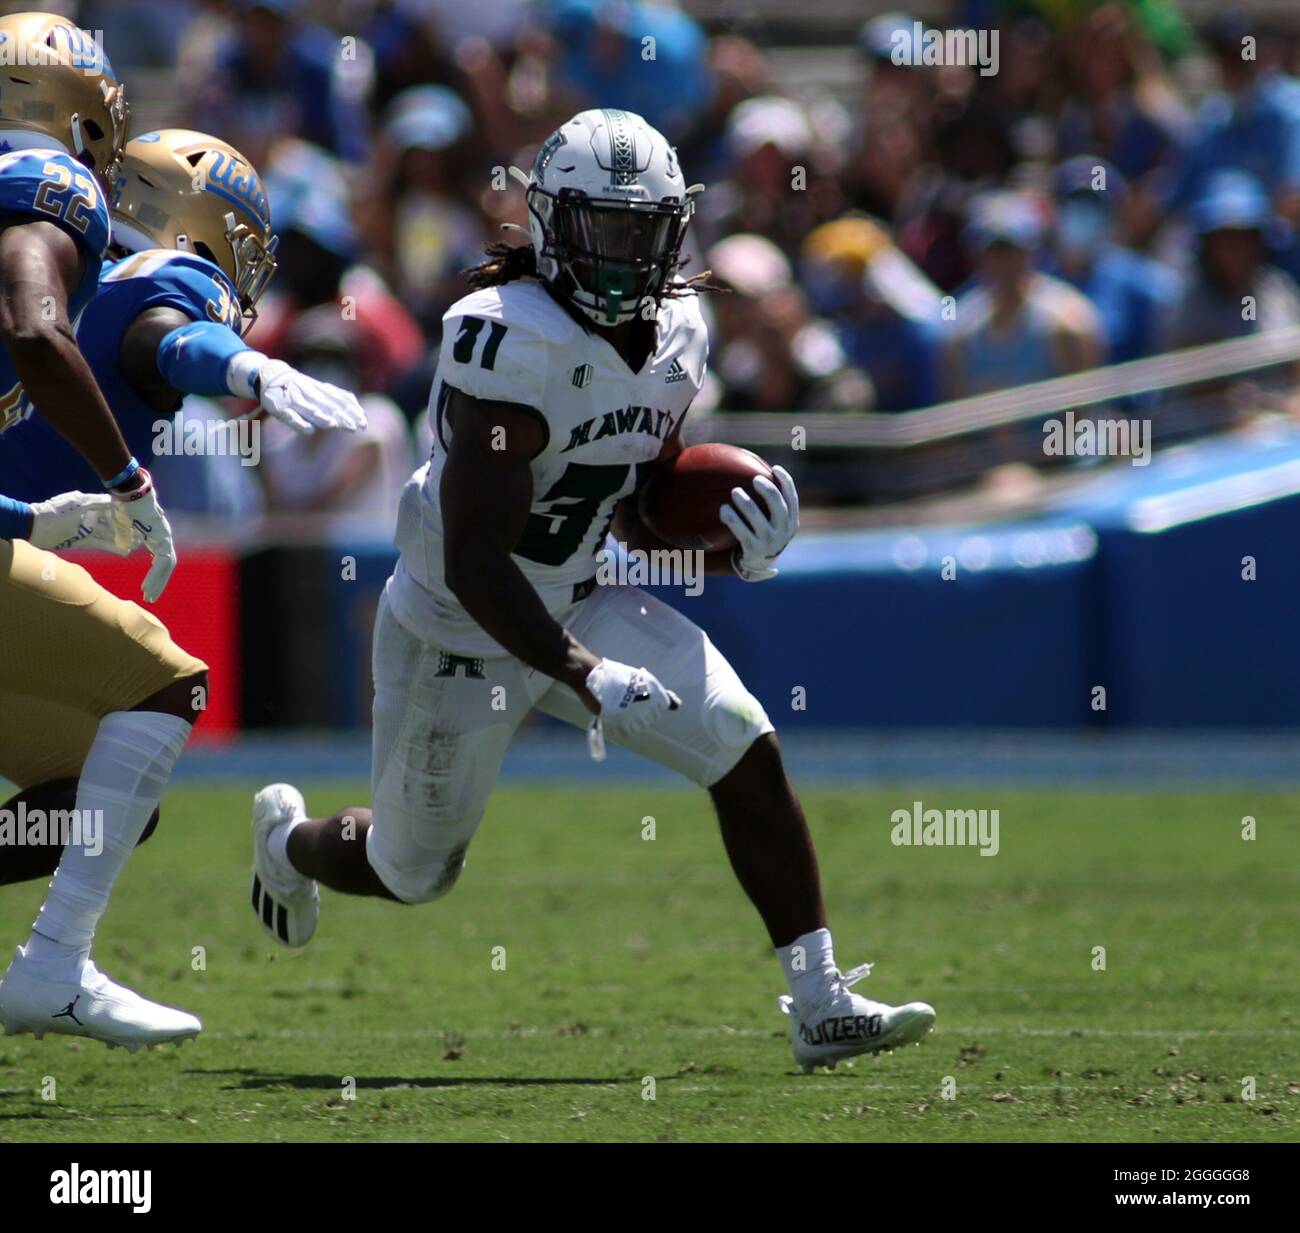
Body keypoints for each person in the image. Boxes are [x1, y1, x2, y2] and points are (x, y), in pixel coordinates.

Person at [247, 108, 936, 1072]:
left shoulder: (678, 330)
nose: (622, 257)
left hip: (576, 595)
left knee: (743, 743)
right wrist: (583, 673)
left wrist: (737, 546)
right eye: (602, 229)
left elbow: (637, 509)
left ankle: (820, 1001)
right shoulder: (504, 338)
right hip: (456, 627)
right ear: (551, 224)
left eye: (640, 232)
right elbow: (474, 559)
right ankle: (289, 843)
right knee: (410, 869)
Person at [0, 126, 364, 1051]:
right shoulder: (159, 275)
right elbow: (172, 336)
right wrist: (249, 367)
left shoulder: (47, 265)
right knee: (166, 687)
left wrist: (30, 520)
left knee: (88, 791)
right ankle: (53, 964)